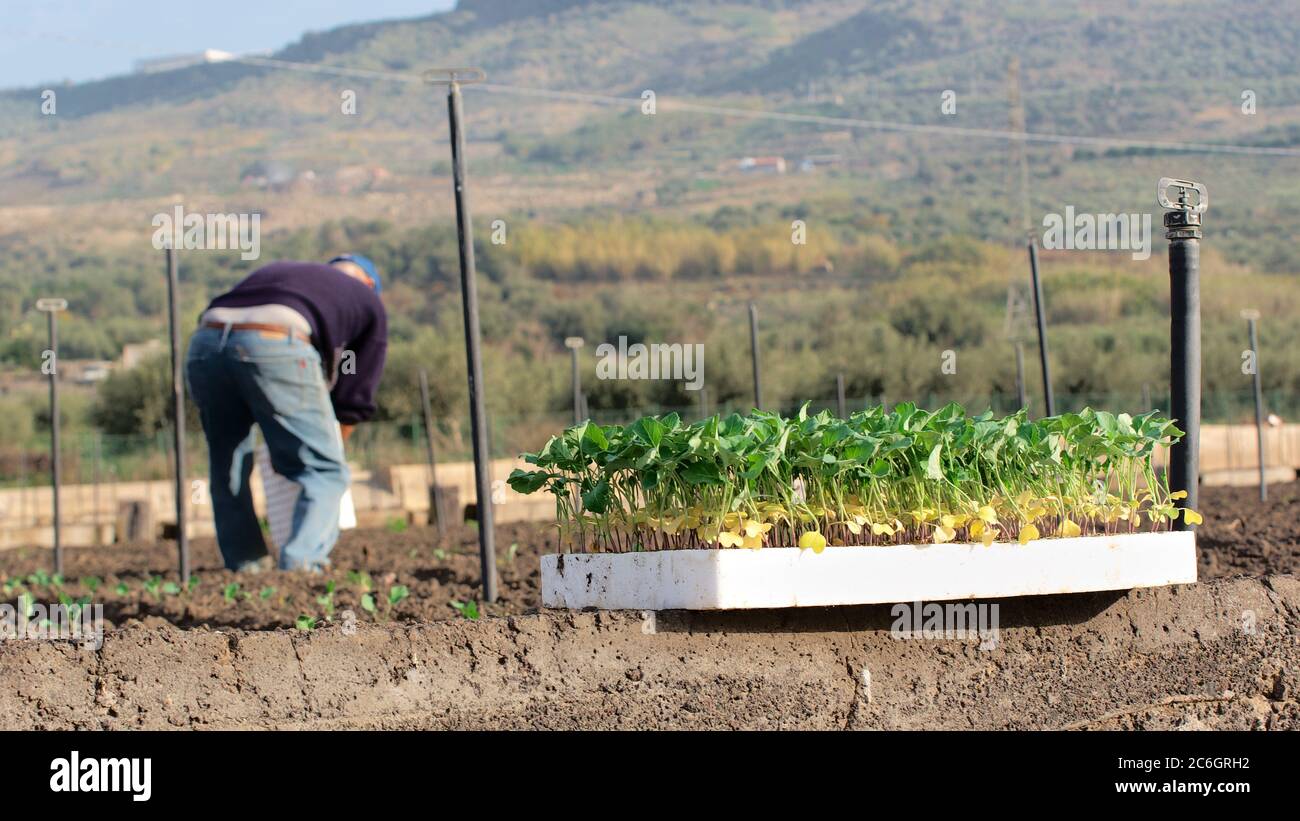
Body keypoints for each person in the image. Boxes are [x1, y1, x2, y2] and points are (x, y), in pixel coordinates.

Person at [186, 255, 387, 572]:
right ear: (371, 284)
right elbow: (354, 397)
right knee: (326, 471)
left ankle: (245, 566)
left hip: (205, 342)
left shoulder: (288, 272)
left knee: (229, 464)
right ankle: (302, 567)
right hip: (273, 339)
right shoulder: (368, 300)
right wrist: (333, 446)